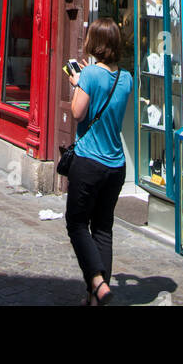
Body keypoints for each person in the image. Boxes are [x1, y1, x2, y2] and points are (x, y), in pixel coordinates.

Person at [64, 17, 133, 306]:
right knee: (103, 227)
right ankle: (94, 299)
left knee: (77, 223)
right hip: (116, 165)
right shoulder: (127, 78)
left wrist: (77, 83)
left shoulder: (90, 74)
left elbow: (78, 113)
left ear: (95, 43)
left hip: (89, 161)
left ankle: (97, 282)